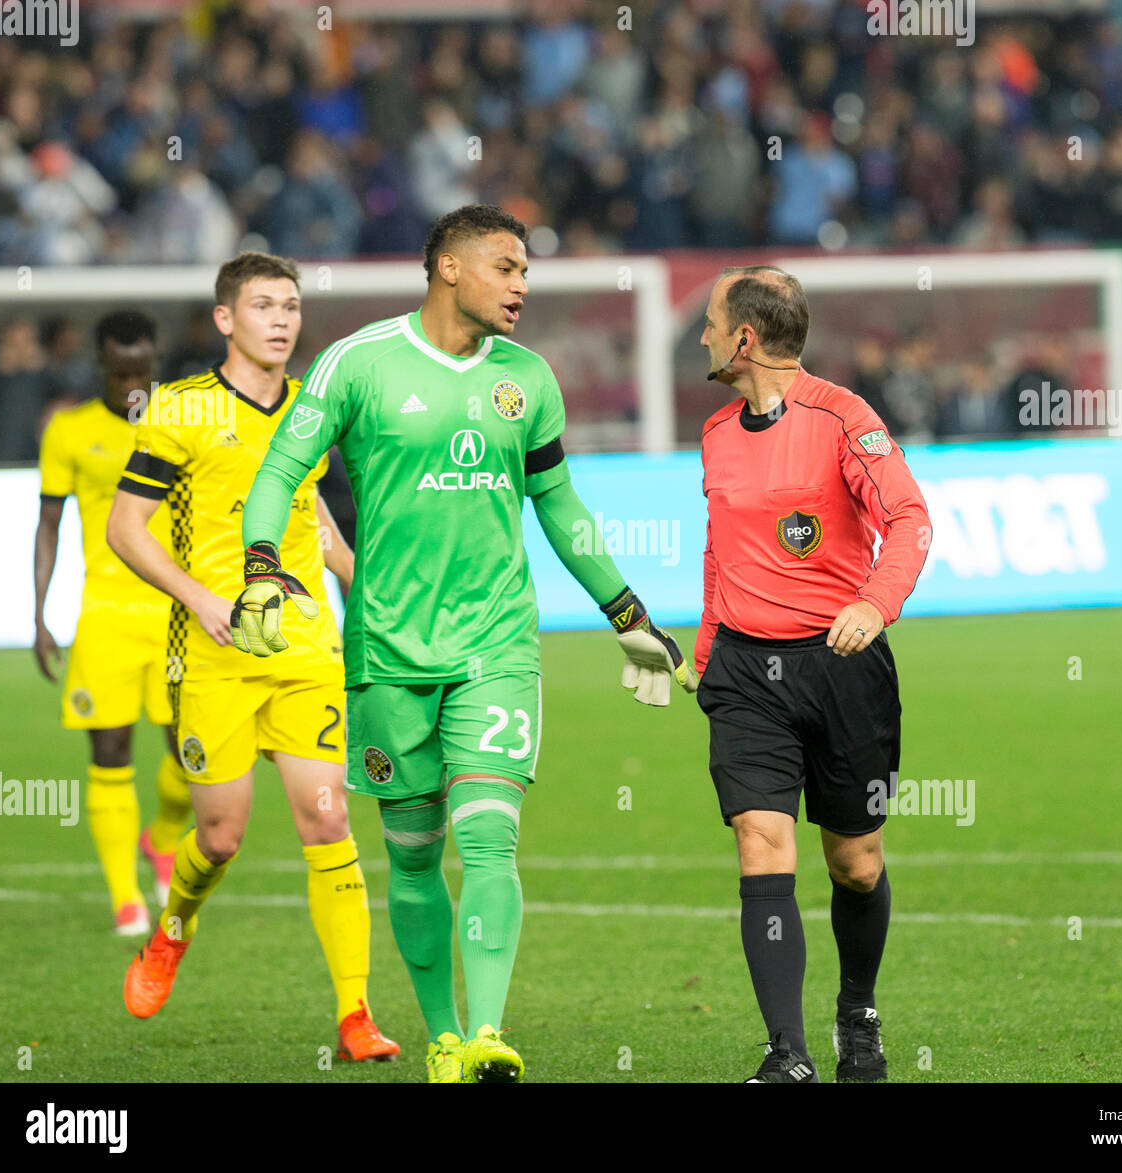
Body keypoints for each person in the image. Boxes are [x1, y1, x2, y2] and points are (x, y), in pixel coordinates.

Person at [230, 204, 695, 1083]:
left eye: (526, 271)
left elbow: (558, 505)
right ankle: (443, 1034)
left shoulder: (529, 379)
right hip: (386, 651)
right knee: (412, 859)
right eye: (507, 266)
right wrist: (262, 567)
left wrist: (628, 614)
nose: (523, 285)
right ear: (449, 267)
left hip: (496, 645)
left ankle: (487, 1033)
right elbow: (280, 472)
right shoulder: (357, 364)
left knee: (488, 840)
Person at [106, 252, 399, 1062]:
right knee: (223, 835)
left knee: (328, 817)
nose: (282, 319)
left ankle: (354, 1018)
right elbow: (125, 528)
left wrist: (369, 589)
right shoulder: (179, 410)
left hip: (305, 646)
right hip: (213, 653)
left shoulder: (315, 410)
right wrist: (201, 600)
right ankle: (172, 930)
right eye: (264, 305)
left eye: (292, 306)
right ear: (226, 319)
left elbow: (318, 525)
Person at [694, 265, 931, 1083]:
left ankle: (856, 1014)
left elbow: (909, 518)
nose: (704, 337)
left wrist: (876, 603)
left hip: (841, 667)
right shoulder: (717, 432)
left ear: (746, 339)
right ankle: (785, 1051)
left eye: (712, 323)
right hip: (745, 674)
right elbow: (718, 550)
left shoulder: (845, 418)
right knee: (761, 843)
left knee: (854, 861)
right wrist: (704, 653)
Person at [34, 310, 190, 935]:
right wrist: (39, 612)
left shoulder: (181, 420)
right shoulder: (68, 431)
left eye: (142, 370)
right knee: (110, 751)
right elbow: (47, 523)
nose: (133, 383)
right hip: (104, 612)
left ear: (155, 361)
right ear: (99, 361)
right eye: (121, 369)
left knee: (189, 752)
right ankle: (126, 896)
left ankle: (164, 837)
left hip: (178, 609)